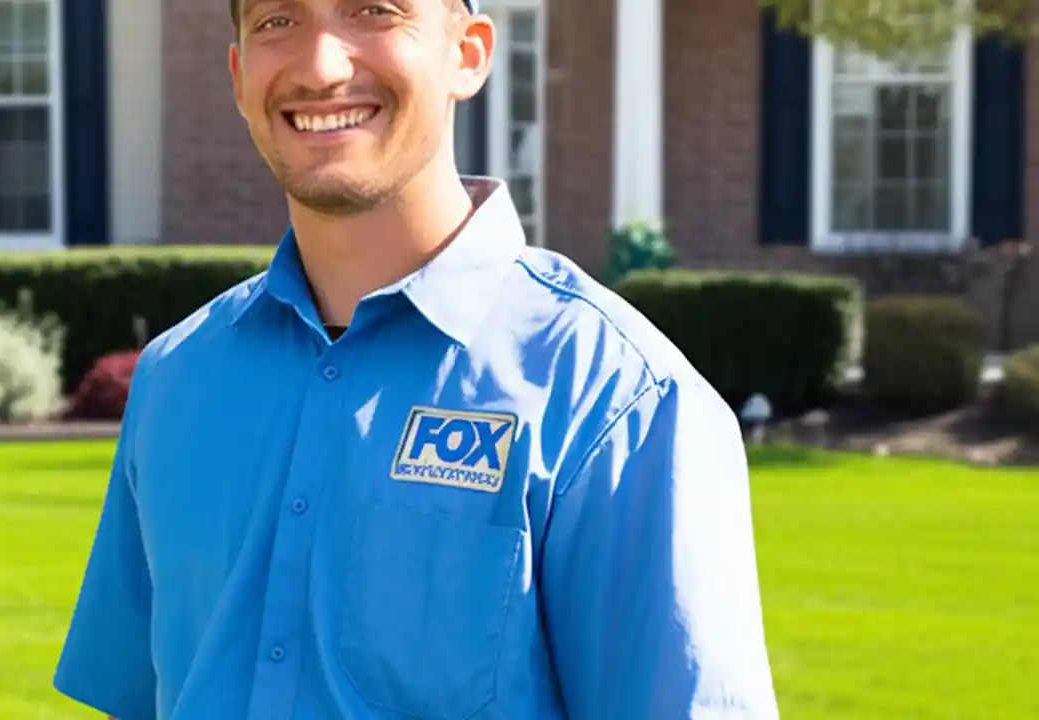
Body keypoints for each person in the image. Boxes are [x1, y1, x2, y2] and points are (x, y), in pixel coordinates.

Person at [52, 0, 781, 717]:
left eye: (373, 11)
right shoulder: (178, 378)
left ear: (467, 54)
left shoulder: (619, 398)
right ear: (240, 75)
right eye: (279, 20)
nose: (321, 64)